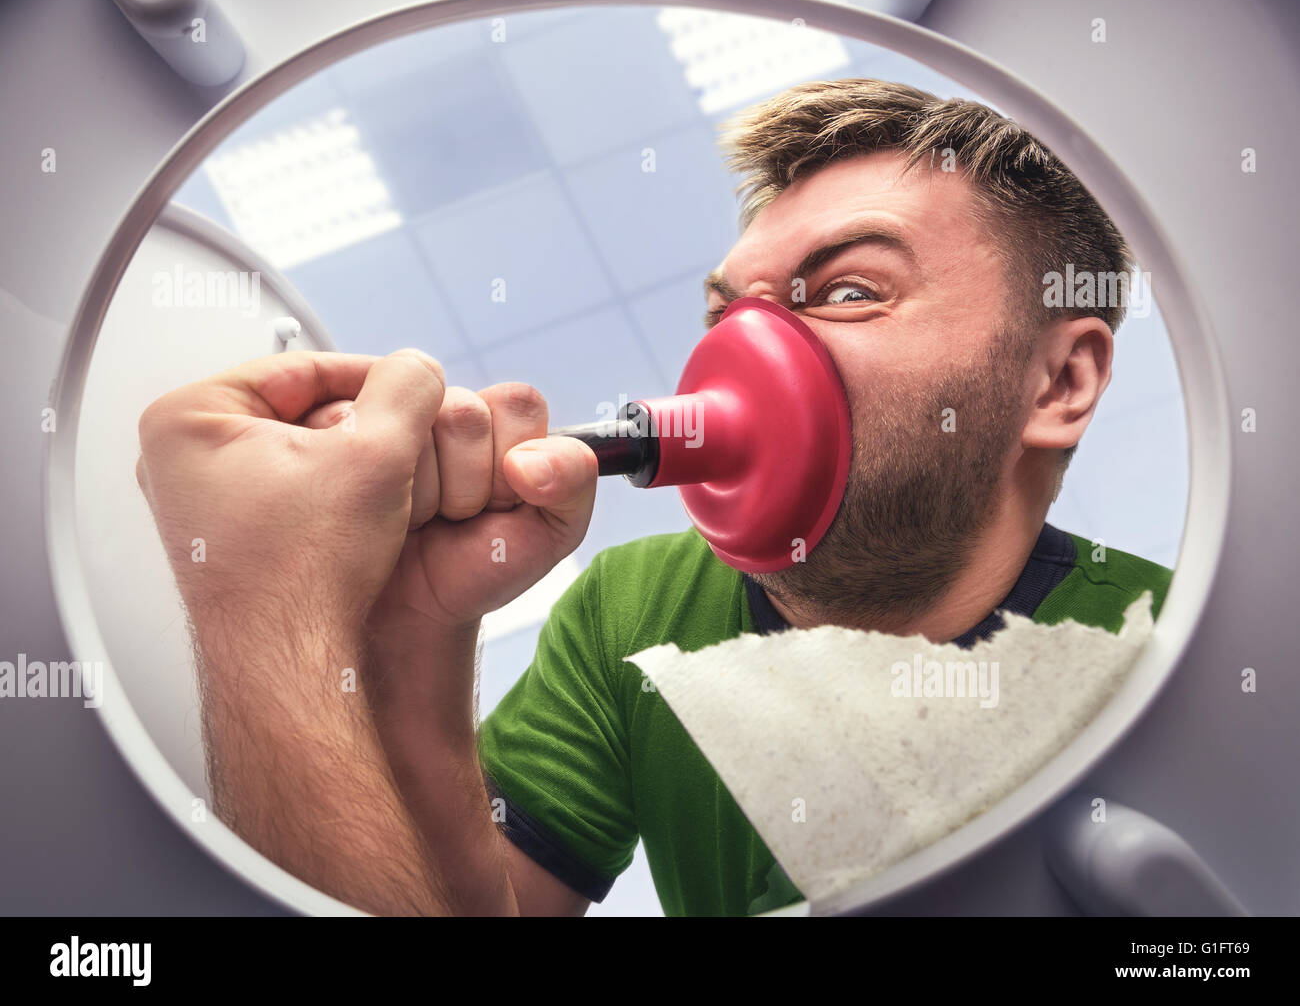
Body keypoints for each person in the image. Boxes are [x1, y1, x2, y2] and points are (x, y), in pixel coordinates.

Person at [135, 78, 1171, 918]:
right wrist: (402, 630)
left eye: (849, 290)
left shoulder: (1177, 648)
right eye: (728, 315)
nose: (742, 358)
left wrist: (258, 613)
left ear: (1059, 382)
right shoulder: (631, 610)